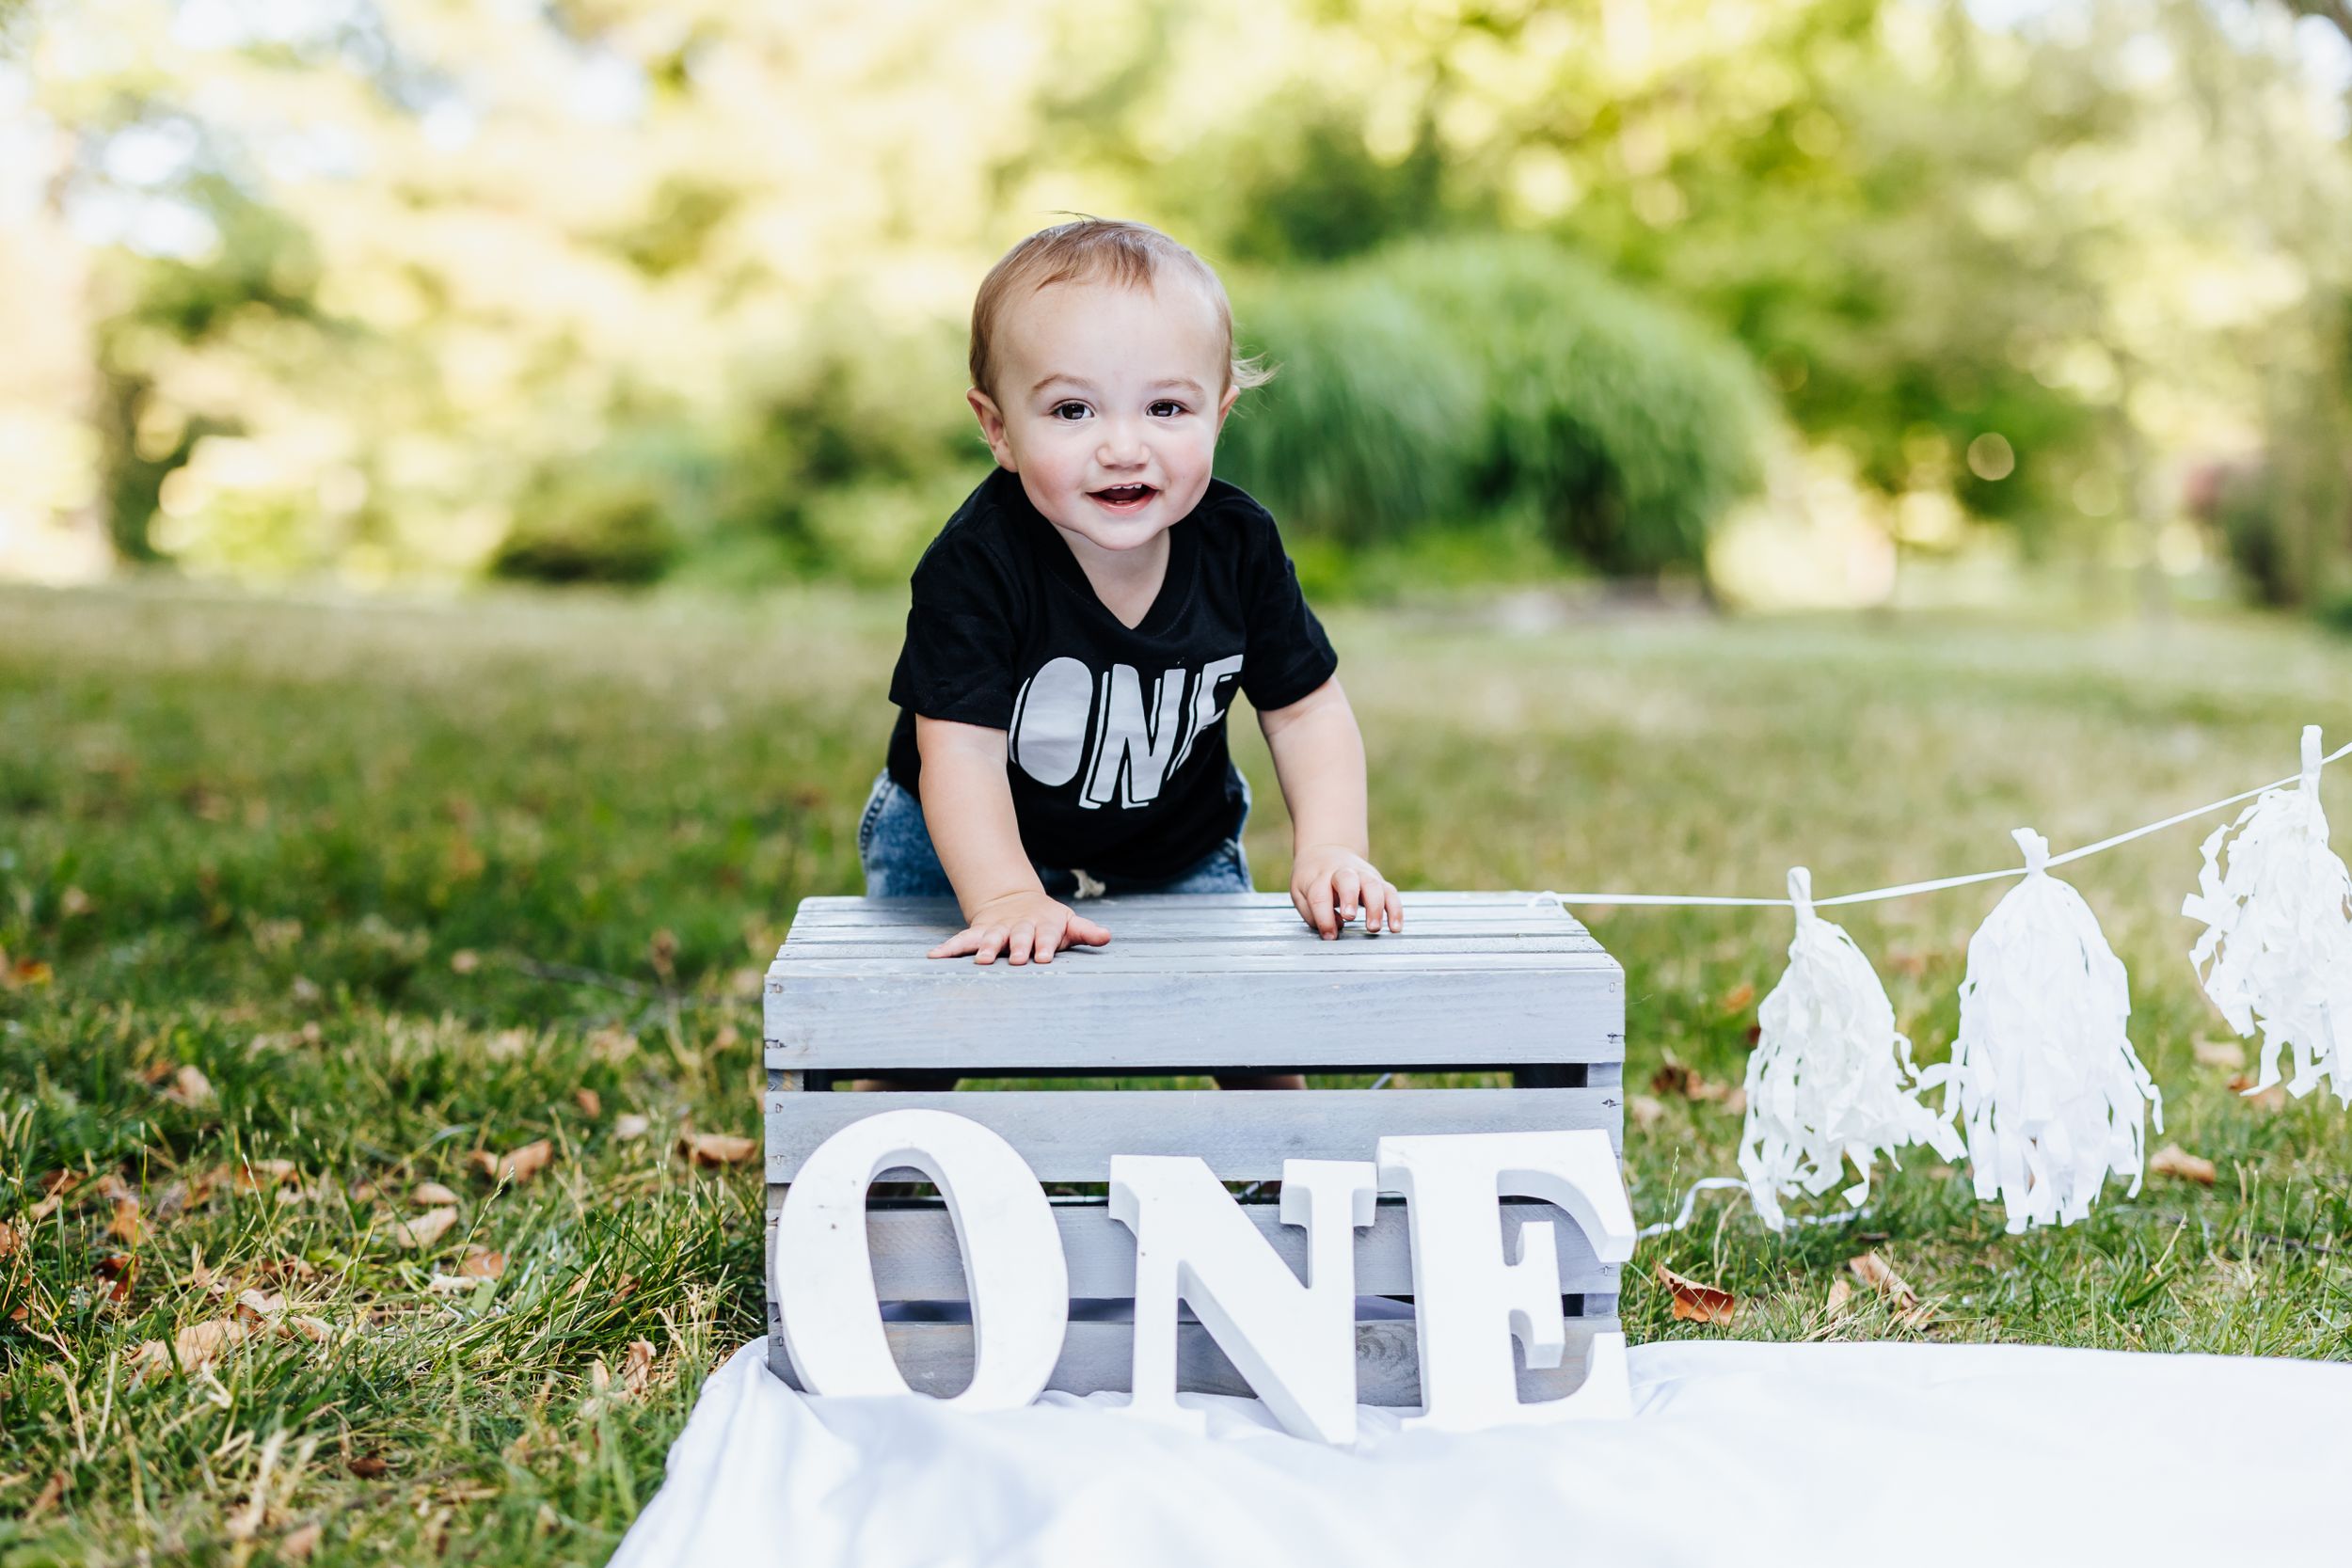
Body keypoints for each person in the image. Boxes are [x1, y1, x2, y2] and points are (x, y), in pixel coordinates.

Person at [862, 216, 1403, 992]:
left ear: (1217, 415)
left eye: (1165, 409)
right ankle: (889, 1116)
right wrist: (1008, 894)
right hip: (962, 845)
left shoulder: (1236, 544)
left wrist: (1332, 847)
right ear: (999, 429)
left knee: (1246, 1021)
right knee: (930, 1029)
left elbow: (1306, 712)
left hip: (1171, 844)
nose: (1124, 446)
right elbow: (961, 751)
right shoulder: (978, 563)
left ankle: (1279, 1119)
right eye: (1074, 411)